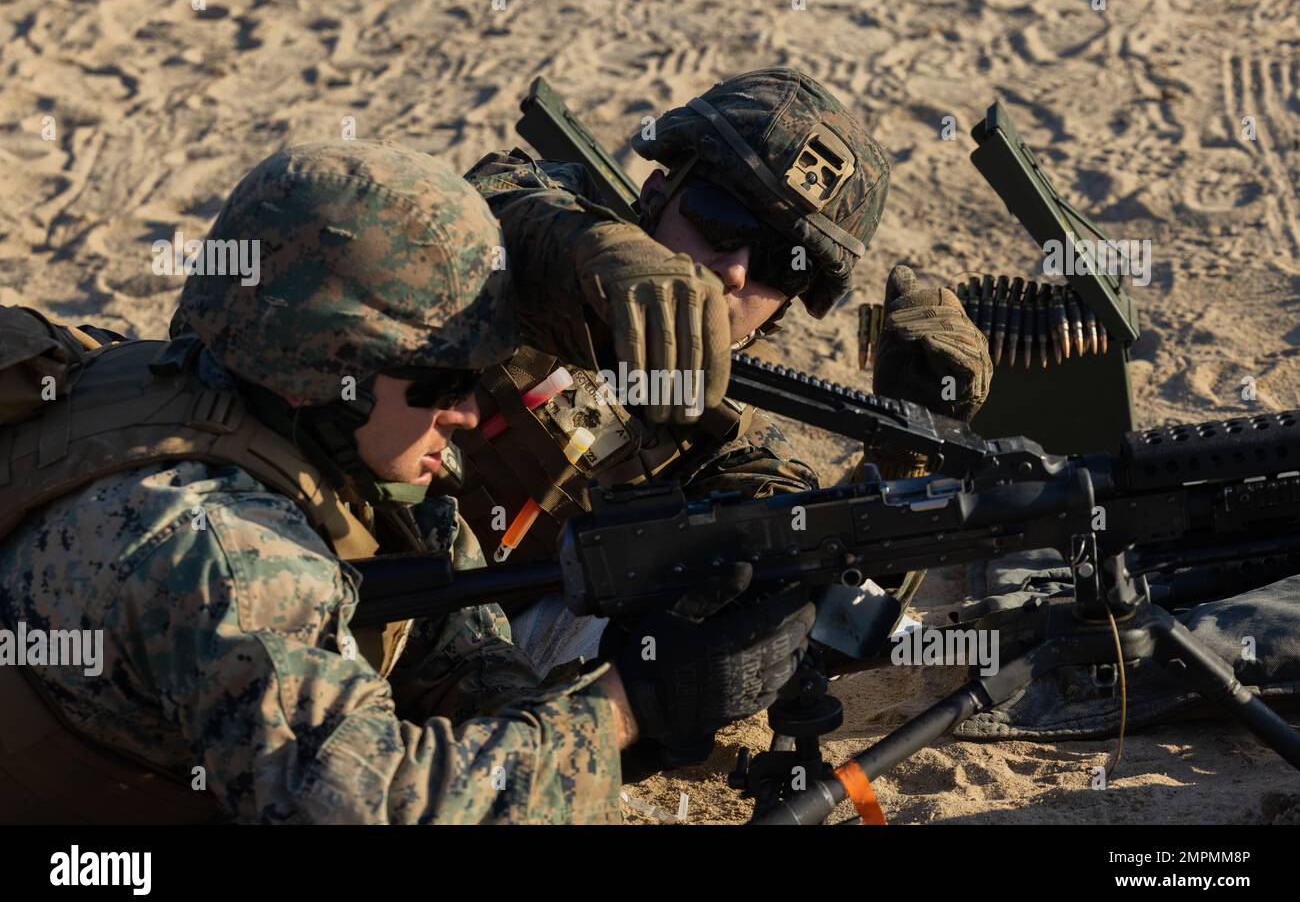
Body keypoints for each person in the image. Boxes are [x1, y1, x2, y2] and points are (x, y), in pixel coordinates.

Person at [0, 140, 813, 823]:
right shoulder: (225, 549)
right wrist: (623, 710)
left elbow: (456, 659)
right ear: (328, 367)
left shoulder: (304, 432)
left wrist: (622, 686)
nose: (467, 412)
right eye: (439, 382)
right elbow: (368, 806)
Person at [462, 68, 992, 672]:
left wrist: (908, 454)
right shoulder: (538, 211)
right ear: (659, 193)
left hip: (480, 654)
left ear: (788, 306)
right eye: (719, 221)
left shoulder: (731, 438)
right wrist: (596, 255)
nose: (735, 270)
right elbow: (470, 218)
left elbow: (825, 602)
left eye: (777, 262)